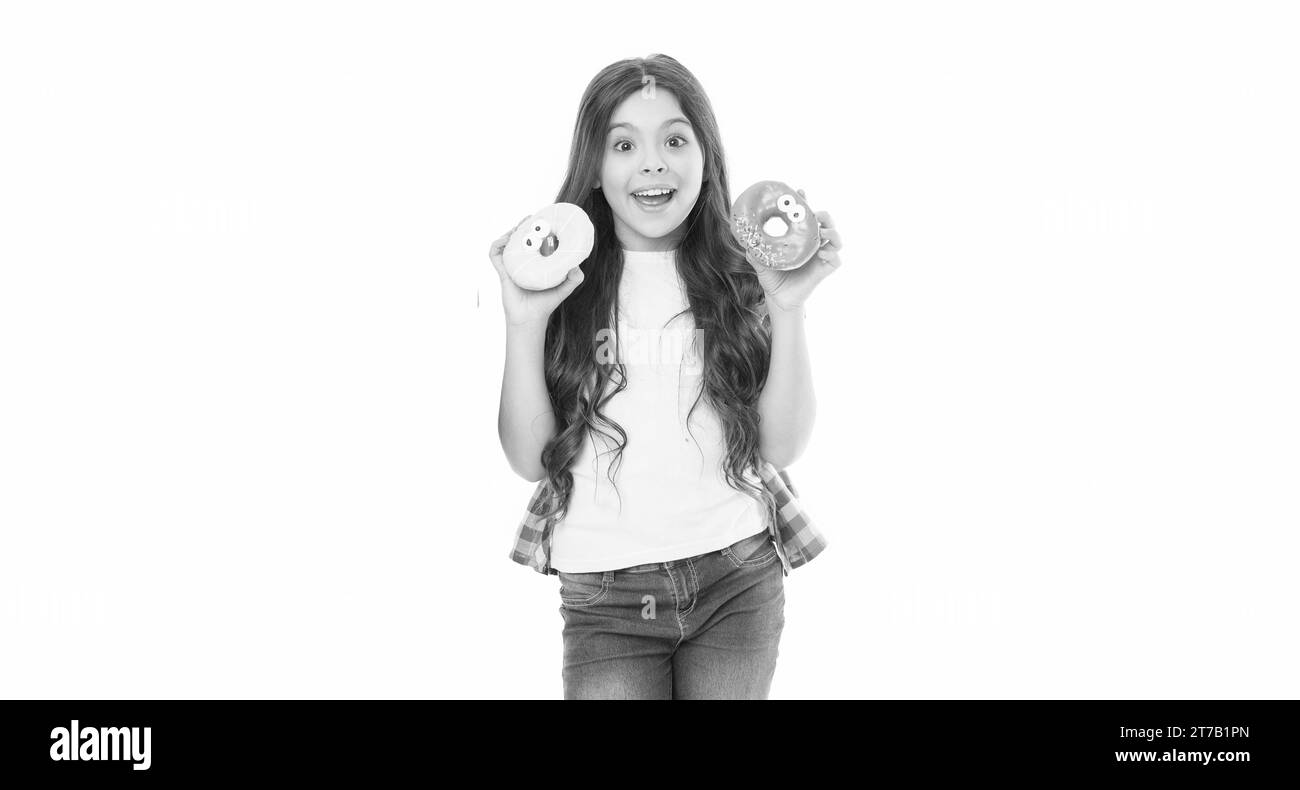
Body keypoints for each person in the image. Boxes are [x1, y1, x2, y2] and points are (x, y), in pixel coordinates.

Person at [486, 54, 844, 699]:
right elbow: (530, 459)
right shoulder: (563, 286)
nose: (653, 162)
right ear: (594, 166)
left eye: (675, 140)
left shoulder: (739, 276)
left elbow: (781, 448)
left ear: (706, 157)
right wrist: (523, 323)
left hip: (737, 578)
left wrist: (786, 307)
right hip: (606, 599)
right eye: (624, 144)